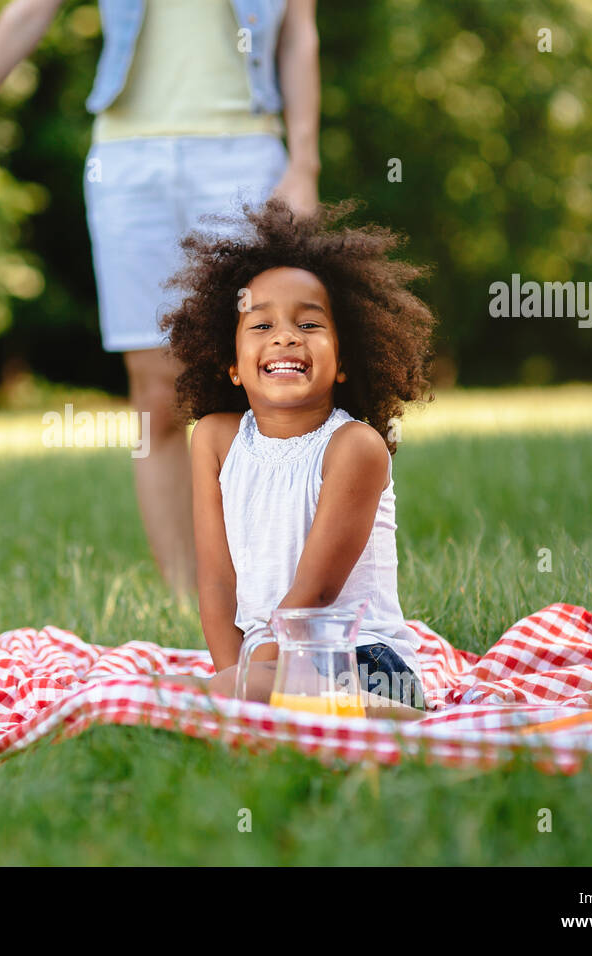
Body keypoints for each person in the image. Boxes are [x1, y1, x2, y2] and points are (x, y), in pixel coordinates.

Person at [0, 0, 321, 595]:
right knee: (156, 393)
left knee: (262, 386)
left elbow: (298, 31)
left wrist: (304, 162)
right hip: (127, 162)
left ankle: (278, 593)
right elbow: (30, 11)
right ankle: (188, 602)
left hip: (243, 154)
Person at [160, 197, 435, 716]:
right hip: (268, 662)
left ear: (345, 360)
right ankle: (260, 705)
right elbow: (217, 581)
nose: (285, 335)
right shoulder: (215, 440)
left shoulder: (354, 447)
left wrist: (251, 677)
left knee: (190, 697)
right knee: (199, 689)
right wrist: (233, 673)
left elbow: (316, 591)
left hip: (365, 661)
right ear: (232, 363)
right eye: (261, 327)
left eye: (309, 325)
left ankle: (392, 717)